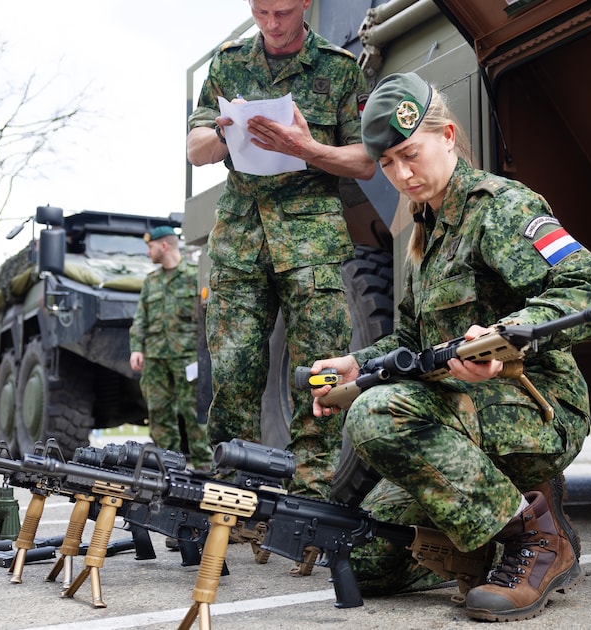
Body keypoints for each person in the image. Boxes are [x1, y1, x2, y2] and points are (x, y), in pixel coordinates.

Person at [307, 73, 591, 622]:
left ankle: (538, 540)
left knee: (377, 416)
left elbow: (586, 292)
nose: (401, 175)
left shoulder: (500, 207)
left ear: (447, 135)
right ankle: (512, 507)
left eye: (410, 155)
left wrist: (506, 335)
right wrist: (359, 362)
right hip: (460, 421)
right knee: (364, 556)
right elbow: (410, 339)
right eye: (388, 165)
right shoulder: (422, 232)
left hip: (536, 406)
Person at [185, 0, 375, 519]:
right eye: (262, 11)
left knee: (317, 376)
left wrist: (307, 147)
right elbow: (194, 146)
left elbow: (364, 161)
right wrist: (225, 133)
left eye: (284, 11)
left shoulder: (337, 67)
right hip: (240, 242)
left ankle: (309, 507)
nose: (272, 23)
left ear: (307, 4)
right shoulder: (227, 63)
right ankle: (231, 502)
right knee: (235, 373)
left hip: (310, 242)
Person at [129, 226, 212, 470]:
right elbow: (140, 319)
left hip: (188, 358)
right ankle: (167, 466)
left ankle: (205, 467)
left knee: (195, 414)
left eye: (150, 246)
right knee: (158, 413)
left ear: (163, 246)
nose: (148, 252)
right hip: (155, 358)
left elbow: (208, 316)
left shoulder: (195, 275)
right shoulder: (151, 281)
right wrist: (137, 348)